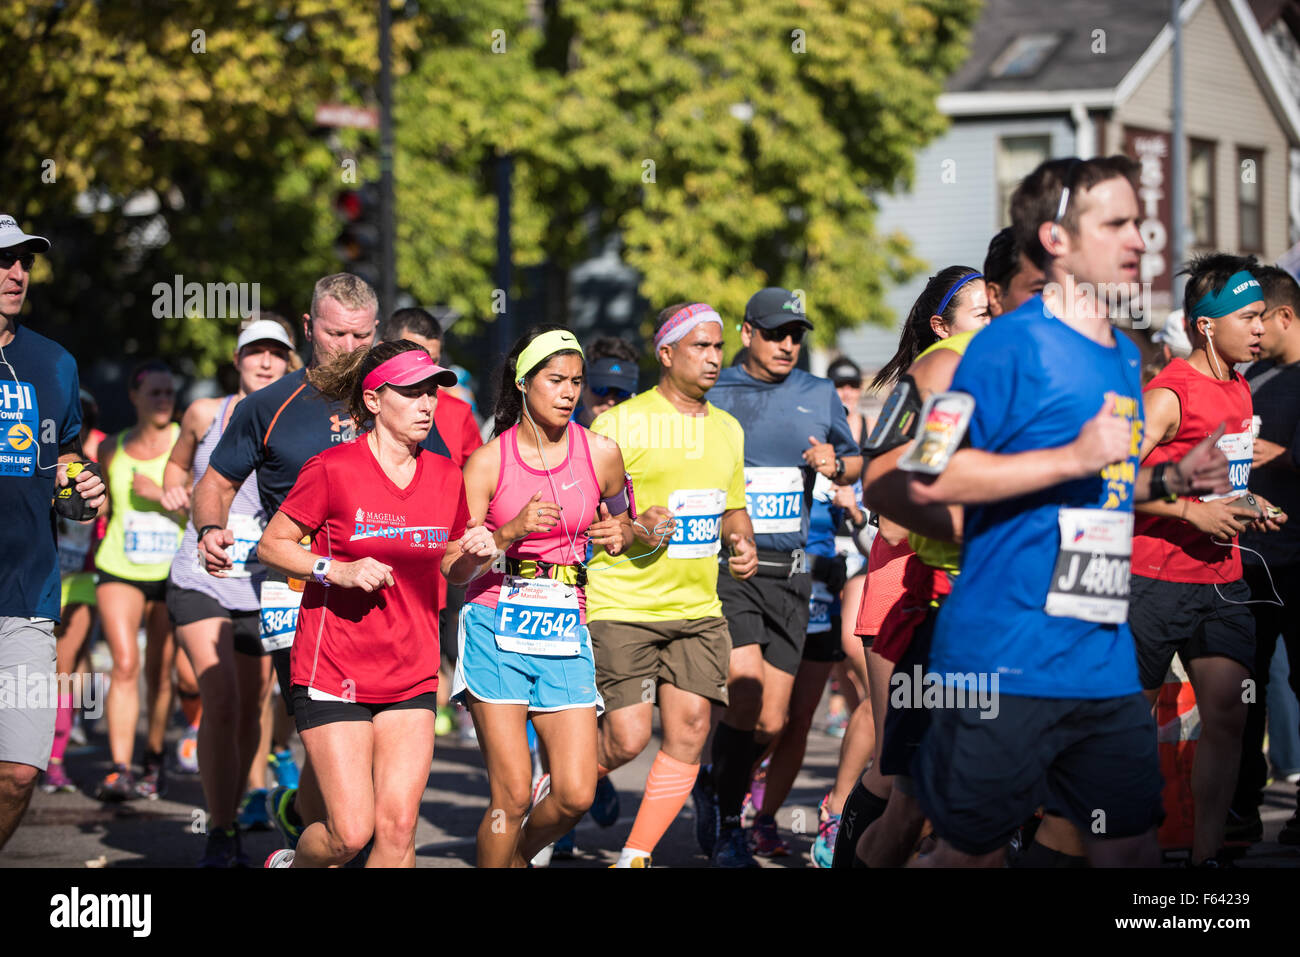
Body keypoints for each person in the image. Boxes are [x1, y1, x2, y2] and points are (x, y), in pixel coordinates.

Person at [905, 155, 1230, 867]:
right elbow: (924, 477)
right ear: (1056, 238)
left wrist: (1172, 475)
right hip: (1005, 658)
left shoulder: (1121, 354)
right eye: (1115, 224)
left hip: (1102, 661)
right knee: (968, 852)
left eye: (1138, 224)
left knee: (1133, 847)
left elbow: (1105, 484)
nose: (1139, 241)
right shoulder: (998, 348)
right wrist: (1072, 457)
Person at [260, 341, 468, 868]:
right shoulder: (332, 469)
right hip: (334, 669)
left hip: (412, 671)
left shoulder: (447, 476)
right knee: (349, 834)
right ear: (374, 401)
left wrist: (479, 554)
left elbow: (452, 565)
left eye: (432, 392)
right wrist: (338, 569)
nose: (427, 403)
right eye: (412, 392)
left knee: (397, 830)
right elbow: (272, 546)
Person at [194, 273, 379, 852]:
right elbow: (215, 484)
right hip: (298, 588)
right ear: (308, 328)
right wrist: (209, 528)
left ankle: (301, 811)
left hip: (380, 587)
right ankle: (318, 833)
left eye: (361, 336)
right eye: (335, 334)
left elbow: (447, 482)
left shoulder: (397, 396)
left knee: (374, 736)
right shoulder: (269, 406)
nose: (348, 348)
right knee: (327, 731)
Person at [446, 325, 633, 867]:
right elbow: (453, 569)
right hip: (493, 622)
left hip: (565, 625)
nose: (569, 392)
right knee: (511, 794)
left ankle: (516, 857)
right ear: (525, 383)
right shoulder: (487, 462)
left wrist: (629, 534)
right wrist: (507, 534)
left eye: (577, 381)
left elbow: (630, 527)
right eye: (555, 380)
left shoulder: (601, 454)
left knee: (575, 792)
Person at [584, 302, 756, 868]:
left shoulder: (729, 429)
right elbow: (586, 517)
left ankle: (635, 855)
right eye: (700, 347)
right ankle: (555, 793)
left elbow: (732, 508)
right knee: (627, 738)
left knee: (690, 729)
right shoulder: (619, 424)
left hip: (699, 608)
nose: (713, 358)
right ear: (666, 354)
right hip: (625, 602)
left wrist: (741, 538)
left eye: (717, 347)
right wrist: (638, 527)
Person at [1129, 253, 1285, 866]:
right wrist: (1192, 514)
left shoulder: (1239, 386)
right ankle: (1121, 848)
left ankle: (1206, 859)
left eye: (1263, 317)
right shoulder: (1168, 392)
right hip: (1152, 579)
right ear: (1205, 325)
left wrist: (1250, 501)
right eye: (1248, 317)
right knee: (1128, 732)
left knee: (1227, 714)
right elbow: (1112, 477)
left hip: (1221, 579)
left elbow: (1221, 479)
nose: (1260, 327)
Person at [698, 287, 863, 867]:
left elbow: (863, 458)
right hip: (731, 568)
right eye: (775, 334)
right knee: (744, 698)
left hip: (793, 579)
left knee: (773, 719)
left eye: (796, 335)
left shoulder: (818, 394)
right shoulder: (714, 390)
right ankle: (728, 826)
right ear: (747, 334)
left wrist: (838, 465)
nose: (788, 344)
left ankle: (713, 782)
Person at [847, 266, 990, 867]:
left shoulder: (994, 377)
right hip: (905, 588)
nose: (995, 320)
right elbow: (899, 507)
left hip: (973, 597)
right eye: (982, 312)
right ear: (943, 327)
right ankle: (846, 850)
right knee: (897, 766)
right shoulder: (935, 382)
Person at [161, 319, 295, 865]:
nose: (265, 363)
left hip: (263, 584)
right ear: (236, 360)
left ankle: (237, 808)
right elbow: (178, 459)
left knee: (249, 711)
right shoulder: (203, 413)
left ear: (290, 360)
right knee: (219, 700)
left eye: (276, 355)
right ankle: (220, 830)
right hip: (201, 576)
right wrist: (174, 481)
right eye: (254, 353)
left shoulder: (297, 419)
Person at [0, 214, 106, 851]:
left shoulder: (53, 362)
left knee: (17, 772)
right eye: (2, 261)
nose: (16, 273)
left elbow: (61, 461)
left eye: (23, 262)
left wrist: (83, 491)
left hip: (27, 592)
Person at [380, 307, 483, 740]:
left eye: (433, 364)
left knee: (433, 660)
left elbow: (477, 484)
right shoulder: (359, 414)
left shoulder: (455, 413)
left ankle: (447, 707)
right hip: (374, 574)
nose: (424, 380)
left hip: (440, 570)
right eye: (413, 358)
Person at [93, 360, 190, 801]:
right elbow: (103, 510)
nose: (164, 400)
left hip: (171, 571)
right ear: (134, 397)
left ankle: (152, 759)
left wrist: (163, 498)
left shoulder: (185, 443)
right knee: (126, 663)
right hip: (119, 565)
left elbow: (205, 511)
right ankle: (118, 769)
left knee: (161, 672)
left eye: (169, 393)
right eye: (155, 393)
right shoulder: (111, 448)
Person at [1231, 264, 1300, 846]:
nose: (1252, 331)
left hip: (1297, 560)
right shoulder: (1252, 377)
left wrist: (1269, 456)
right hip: (1249, 563)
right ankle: (1238, 810)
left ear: (1284, 316)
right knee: (1241, 691)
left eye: (1257, 317)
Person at [43, 389, 107, 793]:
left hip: (81, 577)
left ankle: (54, 759)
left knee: (64, 668)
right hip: (39, 571)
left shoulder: (100, 450)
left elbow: (104, 512)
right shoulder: (30, 456)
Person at [576, 336, 639, 427]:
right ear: (583, 385)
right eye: (601, 389)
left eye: (622, 392)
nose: (610, 401)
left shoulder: (645, 433)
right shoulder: (557, 429)